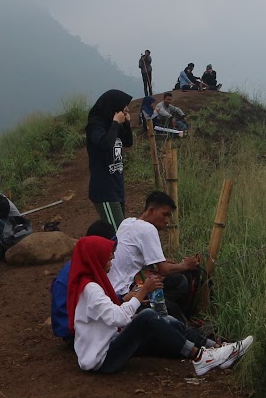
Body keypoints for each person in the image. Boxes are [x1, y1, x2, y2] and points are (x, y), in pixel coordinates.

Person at [68, 235, 252, 375]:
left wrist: (136, 301)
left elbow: (112, 316)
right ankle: (200, 357)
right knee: (148, 316)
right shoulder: (91, 289)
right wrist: (142, 293)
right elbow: (118, 318)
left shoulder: (92, 284)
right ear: (96, 260)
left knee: (166, 320)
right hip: (103, 360)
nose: (112, 262)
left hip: (109, 345)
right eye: (108, 259)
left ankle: (216, 348)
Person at [110, 191, 203, 322]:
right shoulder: (148, 229)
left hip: (114, 288)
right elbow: (163, 269)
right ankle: (167, 313)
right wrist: (185, 265)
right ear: (151, 210)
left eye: (169, 216)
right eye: (164, 214)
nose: (166, 221)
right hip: (125, 291)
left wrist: (166, 262)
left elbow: (135, 256)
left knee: (175, 279)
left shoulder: (127, 222)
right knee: (181, 282)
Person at [86, 89, 135, 229]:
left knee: (119, 231)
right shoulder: (95, 126)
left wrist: (125, 124)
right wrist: (115, 123)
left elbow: (128, 142)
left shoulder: (112, 125)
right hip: (104, 190)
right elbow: (105, 145)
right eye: (124, 105)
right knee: (118, 233)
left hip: (117, 187)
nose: (127, 109)